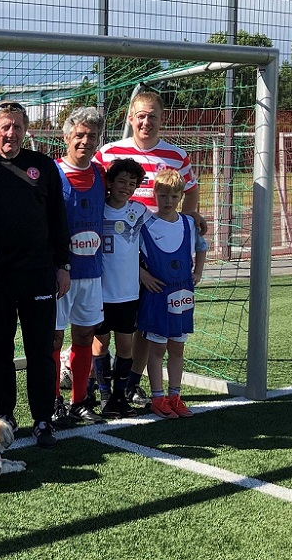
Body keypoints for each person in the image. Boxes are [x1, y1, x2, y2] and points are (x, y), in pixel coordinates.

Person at [0, 102, 70, 449]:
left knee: (41, 349)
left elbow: (57, 218)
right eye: (5, 127)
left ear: (26, 130)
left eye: (18, 127)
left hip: (38, 274)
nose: (11, 134)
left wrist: (63, 265)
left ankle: (42, 419)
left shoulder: (42, 166)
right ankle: (4, 414)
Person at [93, 90, 205, 407]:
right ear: (130, 118)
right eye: (140, 115)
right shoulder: (109, 153)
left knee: (145, 323)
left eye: (152, 115)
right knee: (101, 323)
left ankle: (132, 383)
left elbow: (191, 192)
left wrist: (189, 219)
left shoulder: (177, 156)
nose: (146, 121)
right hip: (117, 252)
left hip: (157, 255)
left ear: (161, 118)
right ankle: (99, 384)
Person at [52, 107, 107, 425]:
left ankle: (80, 402)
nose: (86, 140)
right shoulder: (52, 172)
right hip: (60, 274)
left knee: (85, 336)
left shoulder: (102, 174)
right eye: (80, 134)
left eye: (92, 135)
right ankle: (53, 402)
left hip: (92, 273)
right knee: (53, 340)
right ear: (67, 137)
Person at [138, 169, 206, 418]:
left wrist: (198, 272)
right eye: (163, 195)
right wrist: (141, 274)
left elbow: (201, 247)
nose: (168, 200)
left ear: (181, 197)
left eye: (174, 196)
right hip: (157, 296)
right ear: (154, 193)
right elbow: (127, 254)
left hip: (182, 294)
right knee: (157, 350)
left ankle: (175, 397)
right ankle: (157, 398)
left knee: (177, 348)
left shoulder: (188, 223)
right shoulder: (144, 223)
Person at [91, 158, 148, 419]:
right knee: (99, 345)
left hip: (128, 292)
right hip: (99, 291)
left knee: (126, 346)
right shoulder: (96, 210)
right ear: (110, 182)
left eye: (132, 184)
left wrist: (192, 219)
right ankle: (104, 397)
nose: (127, 187)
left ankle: (119, 395)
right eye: (122, 181)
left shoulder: (139, 212)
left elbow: (163, 228)